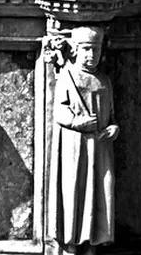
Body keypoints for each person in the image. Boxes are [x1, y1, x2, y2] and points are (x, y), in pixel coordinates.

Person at [52, 25, 118, 249]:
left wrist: (113, 128)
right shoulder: (68, 78)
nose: (92, 56)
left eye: (96, 50)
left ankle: (94, 240)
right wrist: (77, 122)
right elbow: (59, 112)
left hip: (100, 147)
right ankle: (72, 241)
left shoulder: (104, 80)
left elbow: (111, 114)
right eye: (86, 50)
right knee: (76, 190)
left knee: (100, 190)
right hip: (76, 146)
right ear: (76, 50)